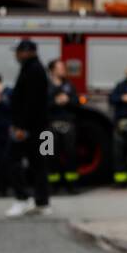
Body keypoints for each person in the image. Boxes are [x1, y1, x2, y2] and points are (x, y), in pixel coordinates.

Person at [5, 40, 51, 217]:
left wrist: (21, 127)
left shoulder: (33, 71)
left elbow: (31, 103)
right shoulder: (35, 68)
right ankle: (42, 202)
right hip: (41, 129)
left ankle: (22, 199)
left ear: (27, 52)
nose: (16, 55)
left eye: (18, 52)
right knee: (40, 164)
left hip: (30, 129)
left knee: (12, 160)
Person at [46, 59, 80, 195]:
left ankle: (72, 185)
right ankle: (50, 185)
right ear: (52, 70)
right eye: (60, 68)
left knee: (71, 154)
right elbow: (39, 105)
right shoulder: (44, 86)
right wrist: (55, 101)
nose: (63, 70)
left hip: (67, 125)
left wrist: (69, 100)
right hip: (47, 126)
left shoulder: (69, 86)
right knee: (47, 155)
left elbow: (77, 103)